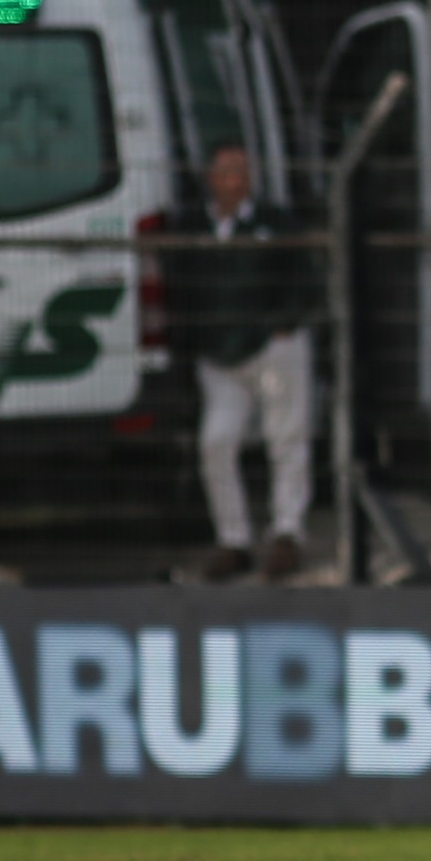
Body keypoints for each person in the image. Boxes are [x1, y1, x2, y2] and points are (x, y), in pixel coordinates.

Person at [165, 141, 317, 582]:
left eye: (244, 169)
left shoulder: (274, 222)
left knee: (286, 436)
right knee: (217, 441)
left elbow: (305, 277)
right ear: (211, 177)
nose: (237, 178)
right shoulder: (192, 226)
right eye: (228, 169)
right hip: (219, 353)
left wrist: (285, 323)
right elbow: (179, 284)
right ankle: (232, 539)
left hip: (272, 346)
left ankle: (288, 531)